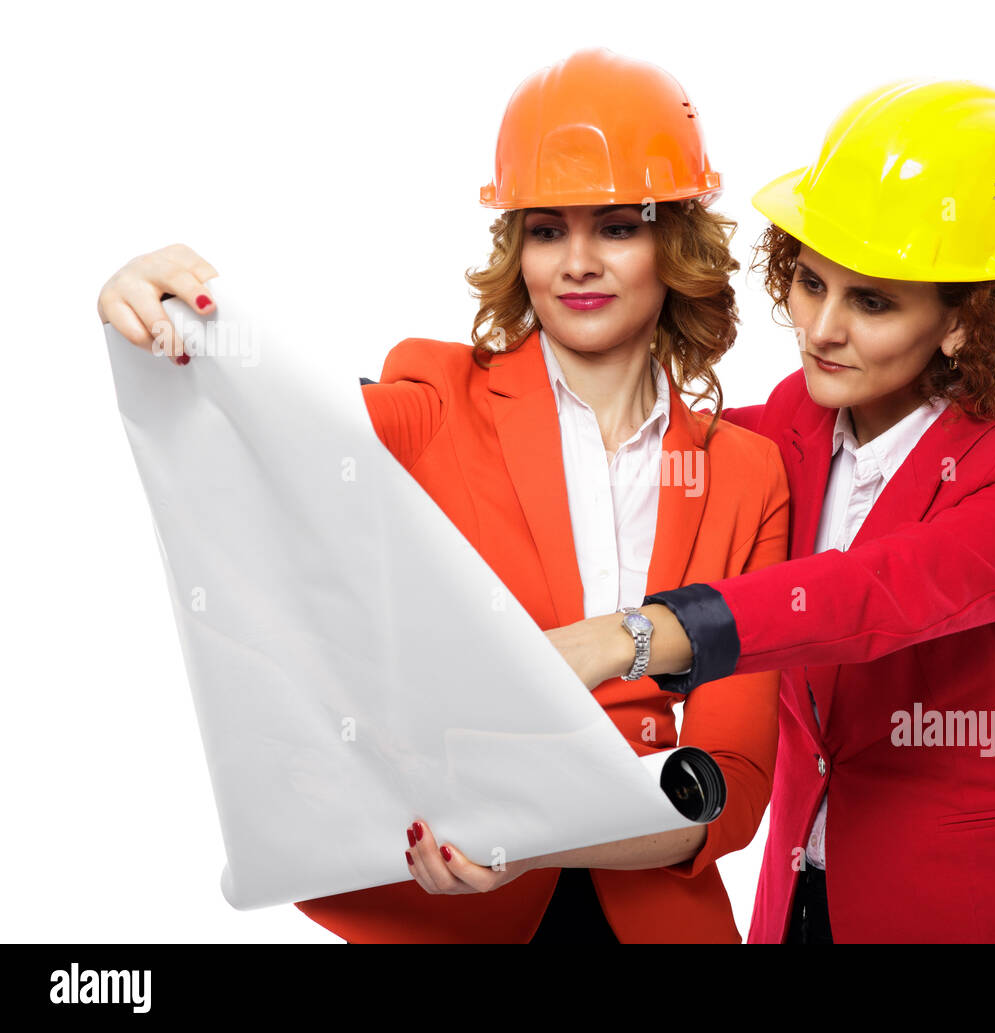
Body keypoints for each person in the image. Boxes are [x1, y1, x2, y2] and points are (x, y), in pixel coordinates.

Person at [95, 47, 790, 943]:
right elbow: (270, 430)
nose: (577, 262)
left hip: (651, 905)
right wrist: (177, 318)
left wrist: (531, 834)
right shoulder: (433, 403)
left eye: (617, 225)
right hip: (456, 913)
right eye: (546, 229)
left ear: (676, 244)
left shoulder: (744, 473)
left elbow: (728, 782)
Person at [545, 79, 995, 943]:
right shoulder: (787, 430)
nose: (820, 329)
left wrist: (633, 635)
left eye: (871, 301)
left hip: (968, 912)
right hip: (797, 903)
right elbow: (638, 459)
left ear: (962, 322)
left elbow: (870, 595)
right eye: (810, 283)